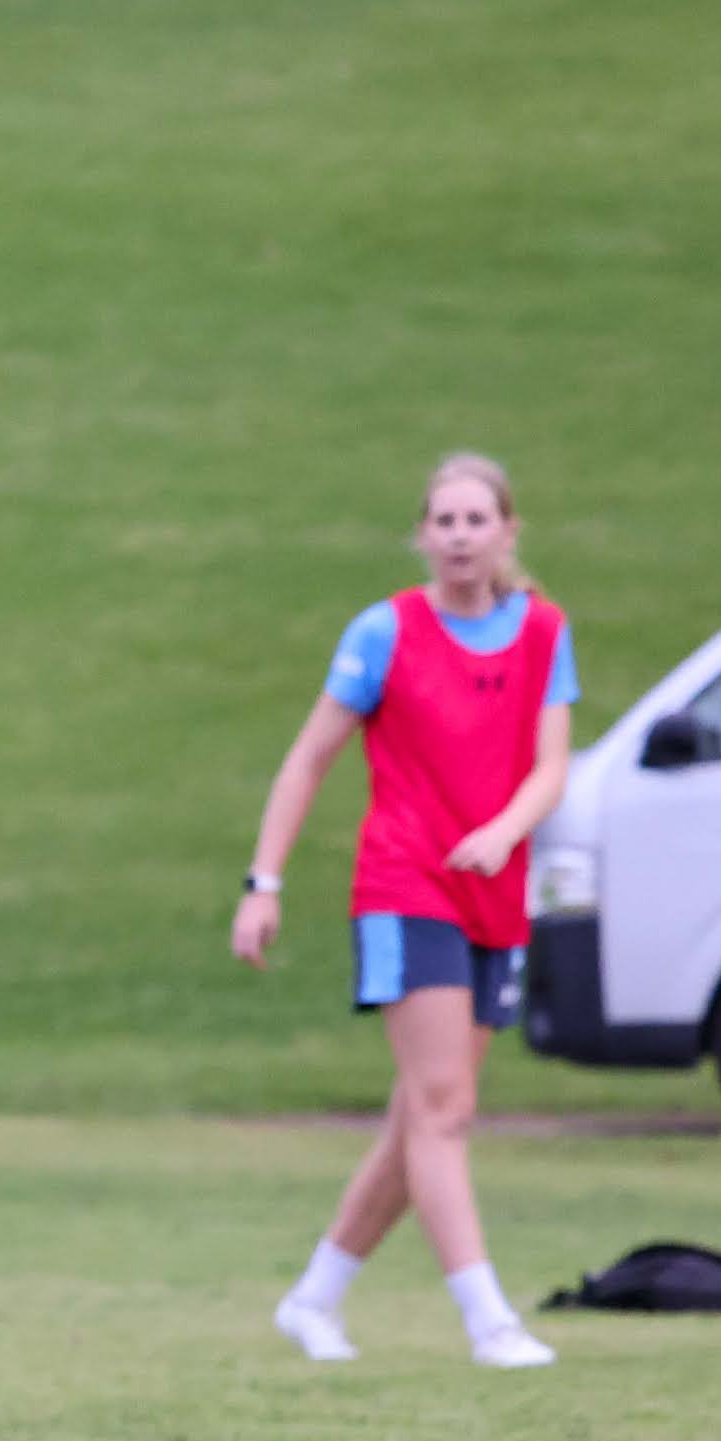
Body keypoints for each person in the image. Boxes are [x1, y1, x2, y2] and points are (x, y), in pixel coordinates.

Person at [233, 452, 575, 1370]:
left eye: (476, 520)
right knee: (442, 1107)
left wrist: (503, 832)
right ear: (423, 534)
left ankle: (314, 1298)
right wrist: (263, 884)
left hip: (492, 893)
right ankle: (488, 1321)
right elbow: (308, 759)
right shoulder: (384, 631)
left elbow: (551, 767)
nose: (460, 537)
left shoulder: (544, 631)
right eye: (444, 521)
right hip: (406, 885)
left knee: (423, 1117)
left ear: (507, 531)